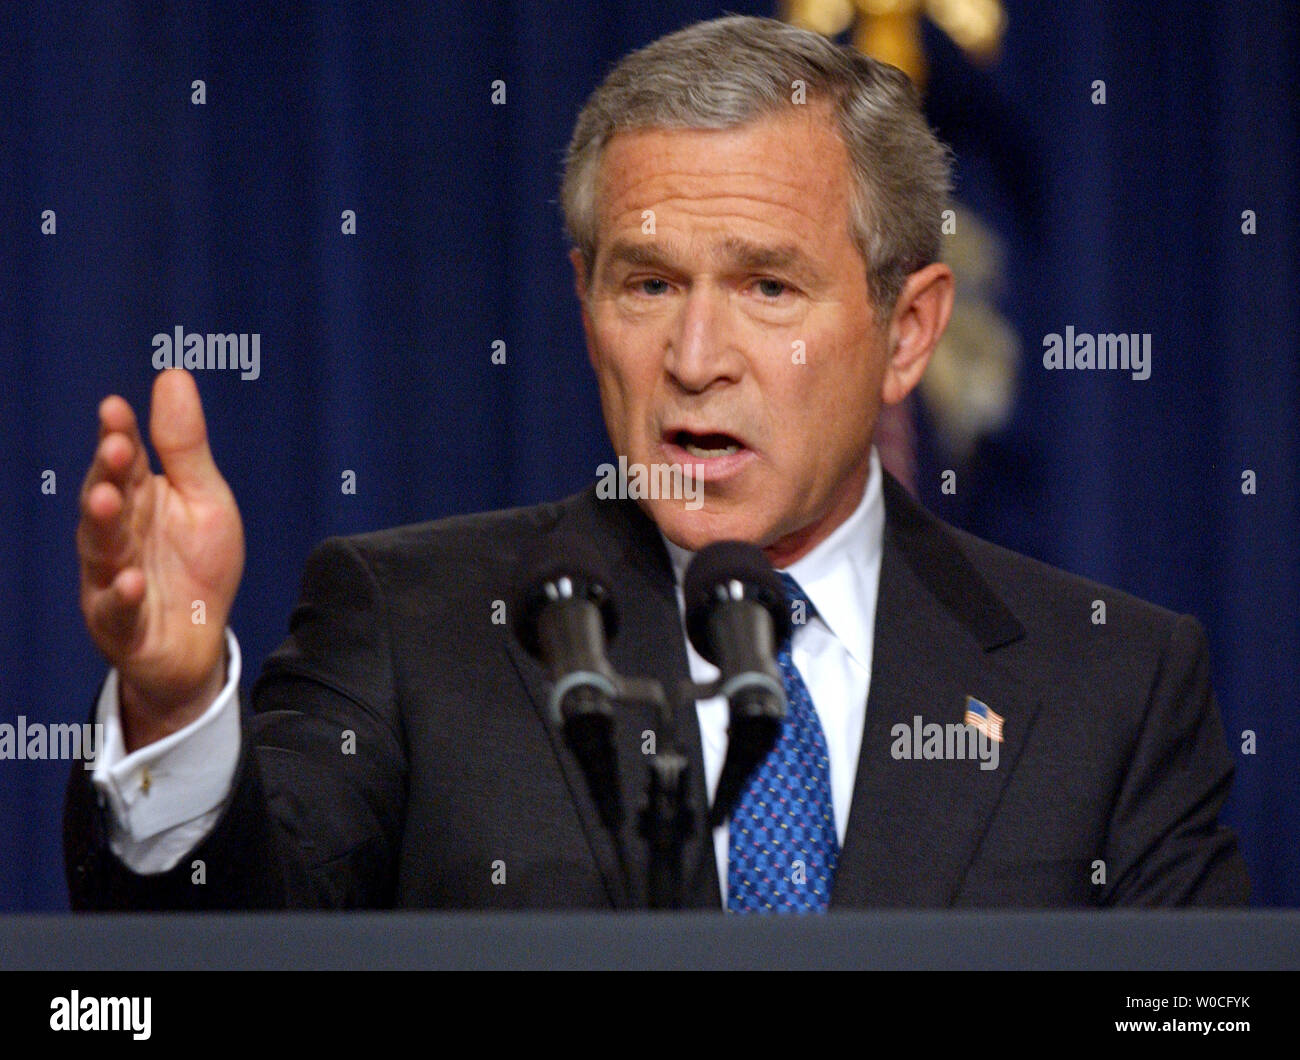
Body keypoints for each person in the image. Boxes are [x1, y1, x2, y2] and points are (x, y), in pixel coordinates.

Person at [66, 15, 1249, 910]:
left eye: (766, 285)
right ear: (585, 308)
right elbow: (214, 964)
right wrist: (174, 709)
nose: (694, 357)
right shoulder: (407, 629)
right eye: (647, 285)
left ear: (909, 331)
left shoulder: (1113, 684)